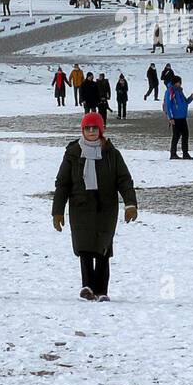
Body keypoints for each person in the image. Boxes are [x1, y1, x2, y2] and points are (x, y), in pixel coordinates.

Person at [52, 112, 138, 301]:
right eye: (87, 128)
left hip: (105, 209)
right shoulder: (73, 153)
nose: (91, 131)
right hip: (80, 207)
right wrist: (57, 211)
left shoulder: (111, 153)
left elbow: (124, 180)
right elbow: (63, 183)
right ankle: (87, 288)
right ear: (82, 130)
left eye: (94, 128)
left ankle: (102, 291)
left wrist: (130, 204)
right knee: (84, 249)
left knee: (103, 249)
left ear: (101, 130)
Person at [162, 75, 193, 160]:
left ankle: (185, 153)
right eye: (179, 82)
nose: (180, 84)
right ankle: (173, 154)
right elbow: (168, 105)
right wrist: (171, 118)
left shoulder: (179, 91)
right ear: (175, 82)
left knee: (185, 135)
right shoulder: (170, 91)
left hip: (182, 117)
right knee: (176, 136)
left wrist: (191, 98)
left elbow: (185, 102)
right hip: (175, 118)